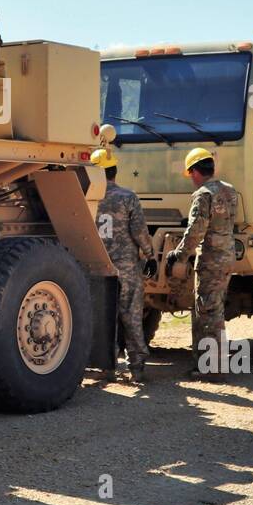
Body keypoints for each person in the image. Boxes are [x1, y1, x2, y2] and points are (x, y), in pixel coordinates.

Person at [165, 148, 239, 381]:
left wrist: (179, 254)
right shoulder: (229, 190)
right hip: (227, 256)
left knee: (208, 311)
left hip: (210, 260)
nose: (192, 180)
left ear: (196, 171)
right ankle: (205, 363)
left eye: (191, 174)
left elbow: (196, 231)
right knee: (213, 308)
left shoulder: (203, 195)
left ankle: (213, 367)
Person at [93, 146, 157, 382]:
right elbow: (139, 231)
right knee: (131, 314)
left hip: (97, 266)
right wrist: (150, 255)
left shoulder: (85, 197)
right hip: (127, 267)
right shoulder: (127, 197)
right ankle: (137, 367)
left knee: (102, 316)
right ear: (115, 170)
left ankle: (106, 366)